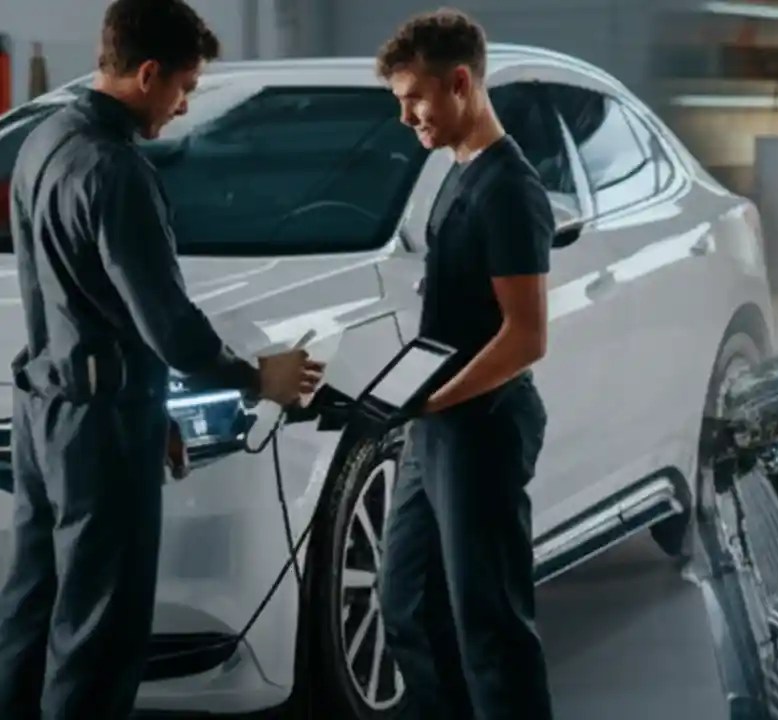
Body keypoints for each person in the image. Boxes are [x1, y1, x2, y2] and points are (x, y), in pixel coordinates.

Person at [0, 1, 324, 717]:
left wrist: (152, 408)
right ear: (148, 74)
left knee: (31, 615)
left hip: (44, 410)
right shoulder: (116, 171)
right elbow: (169, 324)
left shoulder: (44, 141)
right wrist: (255, 377)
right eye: (184, 86)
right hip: (99, 427)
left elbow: (81, 300)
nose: (183, 106)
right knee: (99, 634)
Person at [374, 9, 555, 720]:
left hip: (481, 427)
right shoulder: (456, 172)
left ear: (459, 83)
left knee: (490, 627)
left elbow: (525, 337)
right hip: (437, 429)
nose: (405, 117)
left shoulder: (508, 189)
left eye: (414, 98)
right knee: (409, 604)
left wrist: (431, 399)